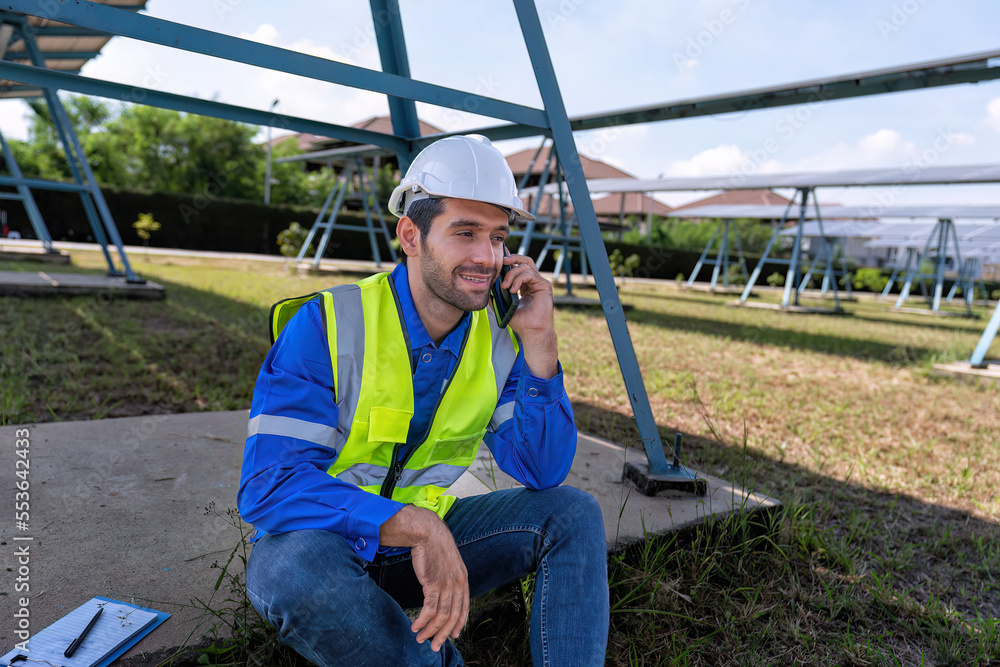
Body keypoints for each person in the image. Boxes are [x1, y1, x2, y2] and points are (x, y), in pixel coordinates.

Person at [238, 134, 609, 666]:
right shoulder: (328, 323)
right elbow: (269, 488)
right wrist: (419, 527)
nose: (487, 256)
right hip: (330, 539)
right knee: (291, 570)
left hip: (422, 551)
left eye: (499, 237)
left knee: (572, 513)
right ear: (410, 235)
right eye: (465, 233)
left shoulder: (499, 338)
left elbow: (541, 469)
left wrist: (540, 344)